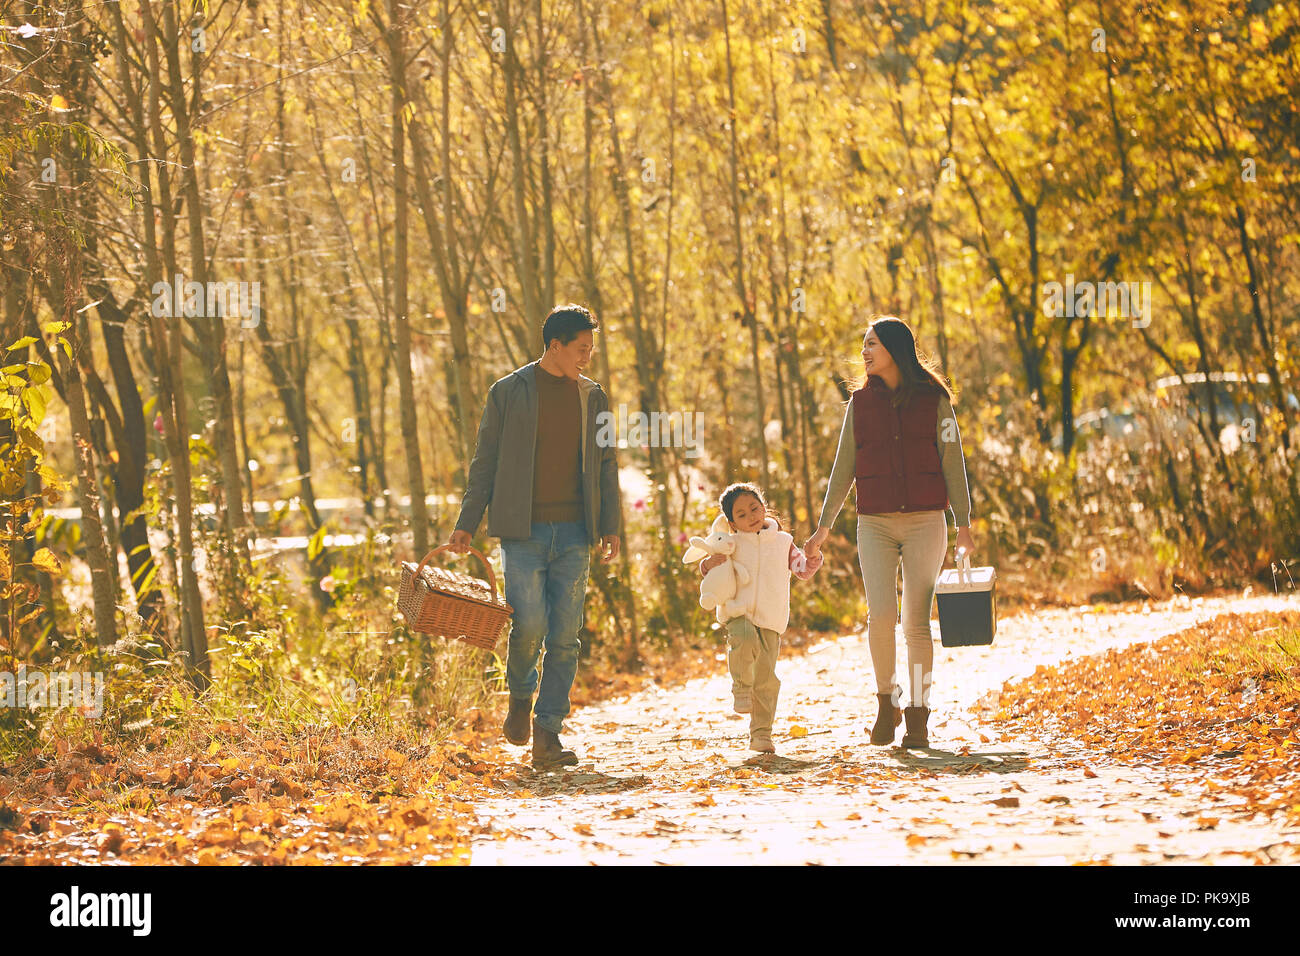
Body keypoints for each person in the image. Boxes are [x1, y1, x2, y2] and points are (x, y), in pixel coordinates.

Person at [447, 304, 621, 769]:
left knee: (565, 635)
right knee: (530, 626)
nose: (587, 357)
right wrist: (467, 522)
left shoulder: (593, 397)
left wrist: (610, 525)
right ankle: (521, 697)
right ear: (555, 346)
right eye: (581, 349)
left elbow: (606, 462)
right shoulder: (508, 392)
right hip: (521, 532)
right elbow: (485, 461)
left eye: (591, 349)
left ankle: (548, 733)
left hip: (575, 531)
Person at [804, 316, 975, 749]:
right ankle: (887, 702)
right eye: (863, 343)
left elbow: (952, 462)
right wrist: (822, 529)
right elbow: (843, 468)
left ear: (896, 349)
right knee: (880, 617)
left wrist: (964, 526)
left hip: (925, 522)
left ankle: (918, 715)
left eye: (872, 344)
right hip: (874, 524)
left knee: (916, 623)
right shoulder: (860, 405)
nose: (864, 352)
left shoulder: (936, 401)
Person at [695, 482, 822, 754]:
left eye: (754, 508)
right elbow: (709, 569)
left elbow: (802, 570)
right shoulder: (731, 543)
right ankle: (741, 689)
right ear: (732, 523)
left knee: (766, 678)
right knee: (742, 637)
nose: (751, 516)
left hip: (772, 618)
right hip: (738, 612)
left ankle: (761, 734)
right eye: (742, 514)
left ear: (764, 507)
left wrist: (812, 557)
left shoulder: (783, 542)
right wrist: (707, 565)